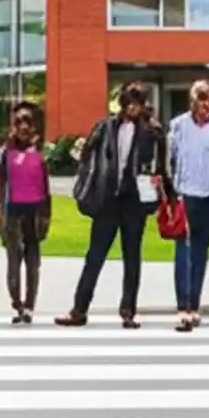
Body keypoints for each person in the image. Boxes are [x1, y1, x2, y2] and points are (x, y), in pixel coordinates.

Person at [56, 82, 172, 330]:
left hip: (134, 202)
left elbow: (161, 167)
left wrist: (164, 197)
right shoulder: (106, 127)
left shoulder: (152, 132)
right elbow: (86, 153)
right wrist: (91, 179)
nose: (133, 107)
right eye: (129, 102)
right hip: (108, 200)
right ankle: (79, 309)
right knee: (94, 256)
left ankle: (128, 310)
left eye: (137, 103)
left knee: (132, 257)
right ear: (122, 103)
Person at [167, 80, 209, 332]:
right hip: (185, 195)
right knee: (184, 249)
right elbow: (169, 160)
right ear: (192, 102)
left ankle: (194, 304)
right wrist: (171, 193)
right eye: (203, 100)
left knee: (201, 251)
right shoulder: (178, 126)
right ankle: (183, 306)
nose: (208, 105)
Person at [0, 101, 51, 325]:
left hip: (34, 216)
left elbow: (46, 187)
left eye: (28, 122)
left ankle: (30, 306)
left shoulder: (41, 154)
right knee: (13, 262)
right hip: (11, 214)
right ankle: (17, 303)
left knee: (33, 264)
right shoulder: (3, 154)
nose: (24, 126)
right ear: (12, 126)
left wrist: (46, 216)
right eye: (19, 122)